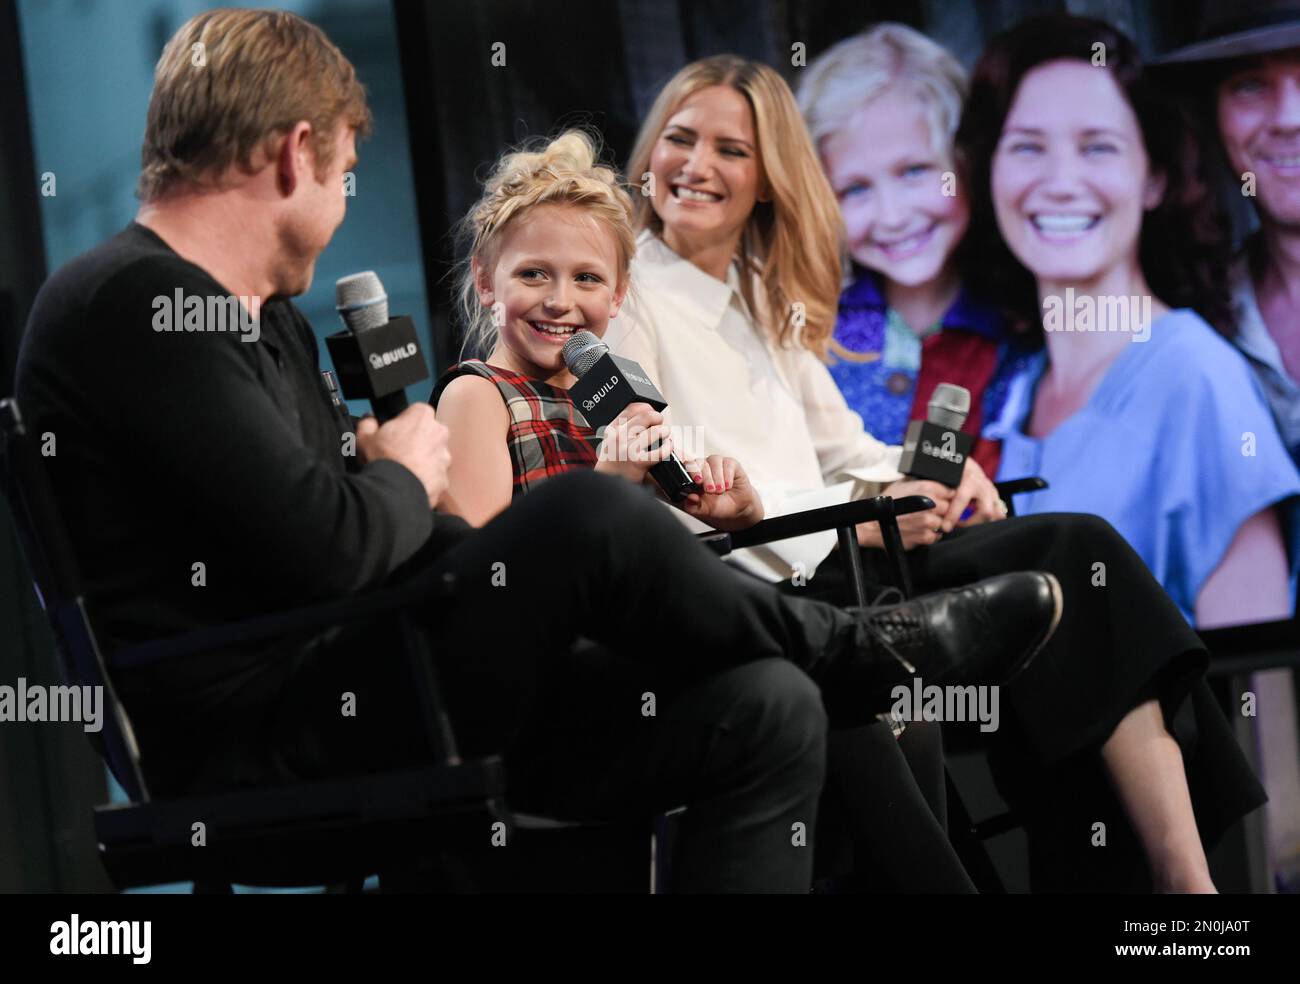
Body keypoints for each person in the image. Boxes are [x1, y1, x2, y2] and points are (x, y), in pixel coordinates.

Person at [12, 8, 1055, 893]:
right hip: (272, 727)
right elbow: (332, 547)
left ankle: (834, 661)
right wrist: (404, 472)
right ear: (295, 153)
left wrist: (466, 545)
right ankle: (858, 650)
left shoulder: (265, 314)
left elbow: (371, 534)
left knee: (766, 707)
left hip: (372, 663)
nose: (341, 204)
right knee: (582, 514)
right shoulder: (138, 302)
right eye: (344, 171)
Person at [606, 52, 1267, 891]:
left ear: (770, 179)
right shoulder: (626, 290)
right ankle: (1185, 888)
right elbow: (668, 497)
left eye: (730, 150)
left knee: (1079, 569)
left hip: (840, 554)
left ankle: (1178, 885)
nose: (696, 167)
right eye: (679, 140)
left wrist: (937, 484)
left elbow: (849, 453)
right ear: (650, 154)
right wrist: (871, 511)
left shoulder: (763, 293)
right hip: (772, 592)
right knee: (1069, 551)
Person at [959, 13, 1300, 629]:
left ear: (1155, 179)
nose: (1061, 182)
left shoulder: (1196, 380)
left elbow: (1263, 690)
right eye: (1028, 147)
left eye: (1099, 147)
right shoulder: (1011, 388)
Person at [796, 23, 1037, 478]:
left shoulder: (1026, 316)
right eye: (855, 188)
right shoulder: (809, 329)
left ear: (966, 159)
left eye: (914, 171)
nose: (892, 216)